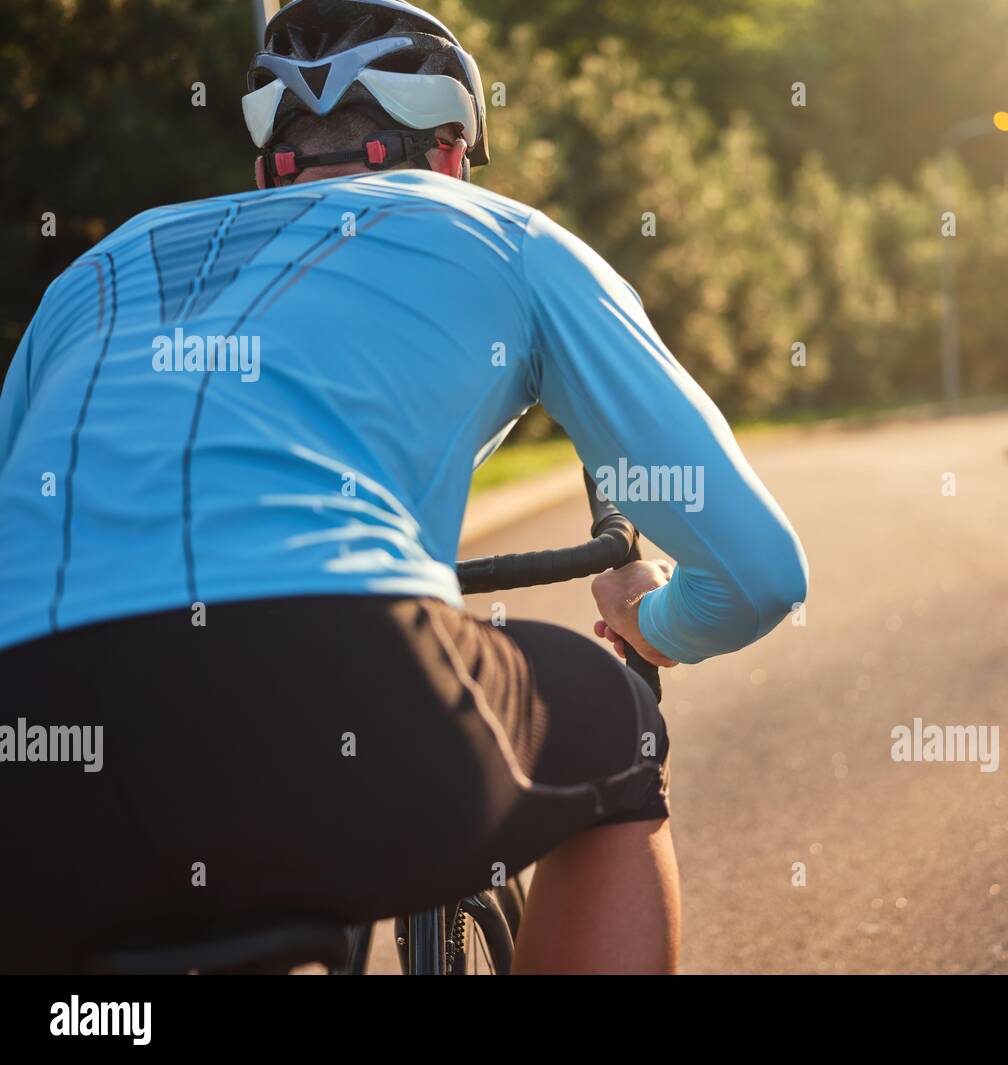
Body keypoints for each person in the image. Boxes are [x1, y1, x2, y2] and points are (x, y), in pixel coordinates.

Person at [0, 0, 807, 975]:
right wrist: (651, 626)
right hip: (329, 678)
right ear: (455, 153)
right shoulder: (503, 233)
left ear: (266, 165)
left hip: (30, 734)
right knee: (612, 728)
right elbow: (759, 573)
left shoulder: (94, 273)